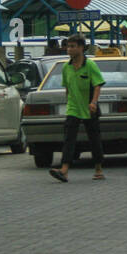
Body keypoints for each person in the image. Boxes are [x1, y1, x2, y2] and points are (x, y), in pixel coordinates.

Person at [49, 33, 106, 183]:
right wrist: (68, 102)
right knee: (69, 138)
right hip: (73, 108)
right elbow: (67, 88)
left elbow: (97, 85)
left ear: (81, 48)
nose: (69, 49)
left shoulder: (90, 65)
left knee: (94, 139)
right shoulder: (66, 67)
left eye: (73, 46)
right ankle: (64, 170)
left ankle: (98, 168)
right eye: (68, 46)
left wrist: (94, 102)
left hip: (89, 107)